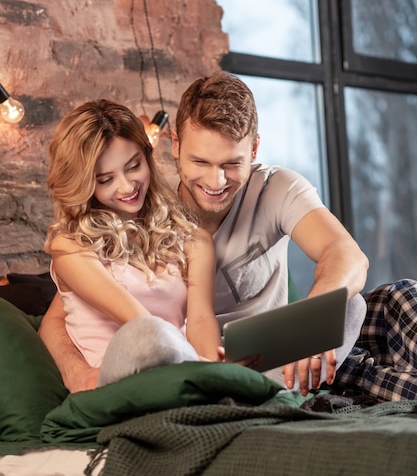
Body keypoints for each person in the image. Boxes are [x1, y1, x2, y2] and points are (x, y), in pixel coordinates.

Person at [40, 72, 368, 396]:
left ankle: (253, 392)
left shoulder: (216, 220)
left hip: (236, 354)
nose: (216, 181)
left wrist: (309, 329)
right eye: (200, 161)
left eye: (230, 164)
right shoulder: (111, 224)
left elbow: (347, 255)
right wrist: (79, 374)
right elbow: (65, 314)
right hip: (166, 355)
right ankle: (232, 389)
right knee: (152, 336)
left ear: (254, 150)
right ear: (176, 145)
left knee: (351, 307)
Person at [42, 99, 222, 388]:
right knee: (148, 338)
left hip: (180, 377)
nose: (127, 187)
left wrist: (214, 367)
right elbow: (140, 323)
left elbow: (201, 319)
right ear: (85, 184)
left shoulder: (194, 239)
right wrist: (200, 371)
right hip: (115, 385)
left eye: (134, 166)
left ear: (147, 156)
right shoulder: (70, 247)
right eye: (105, 179)